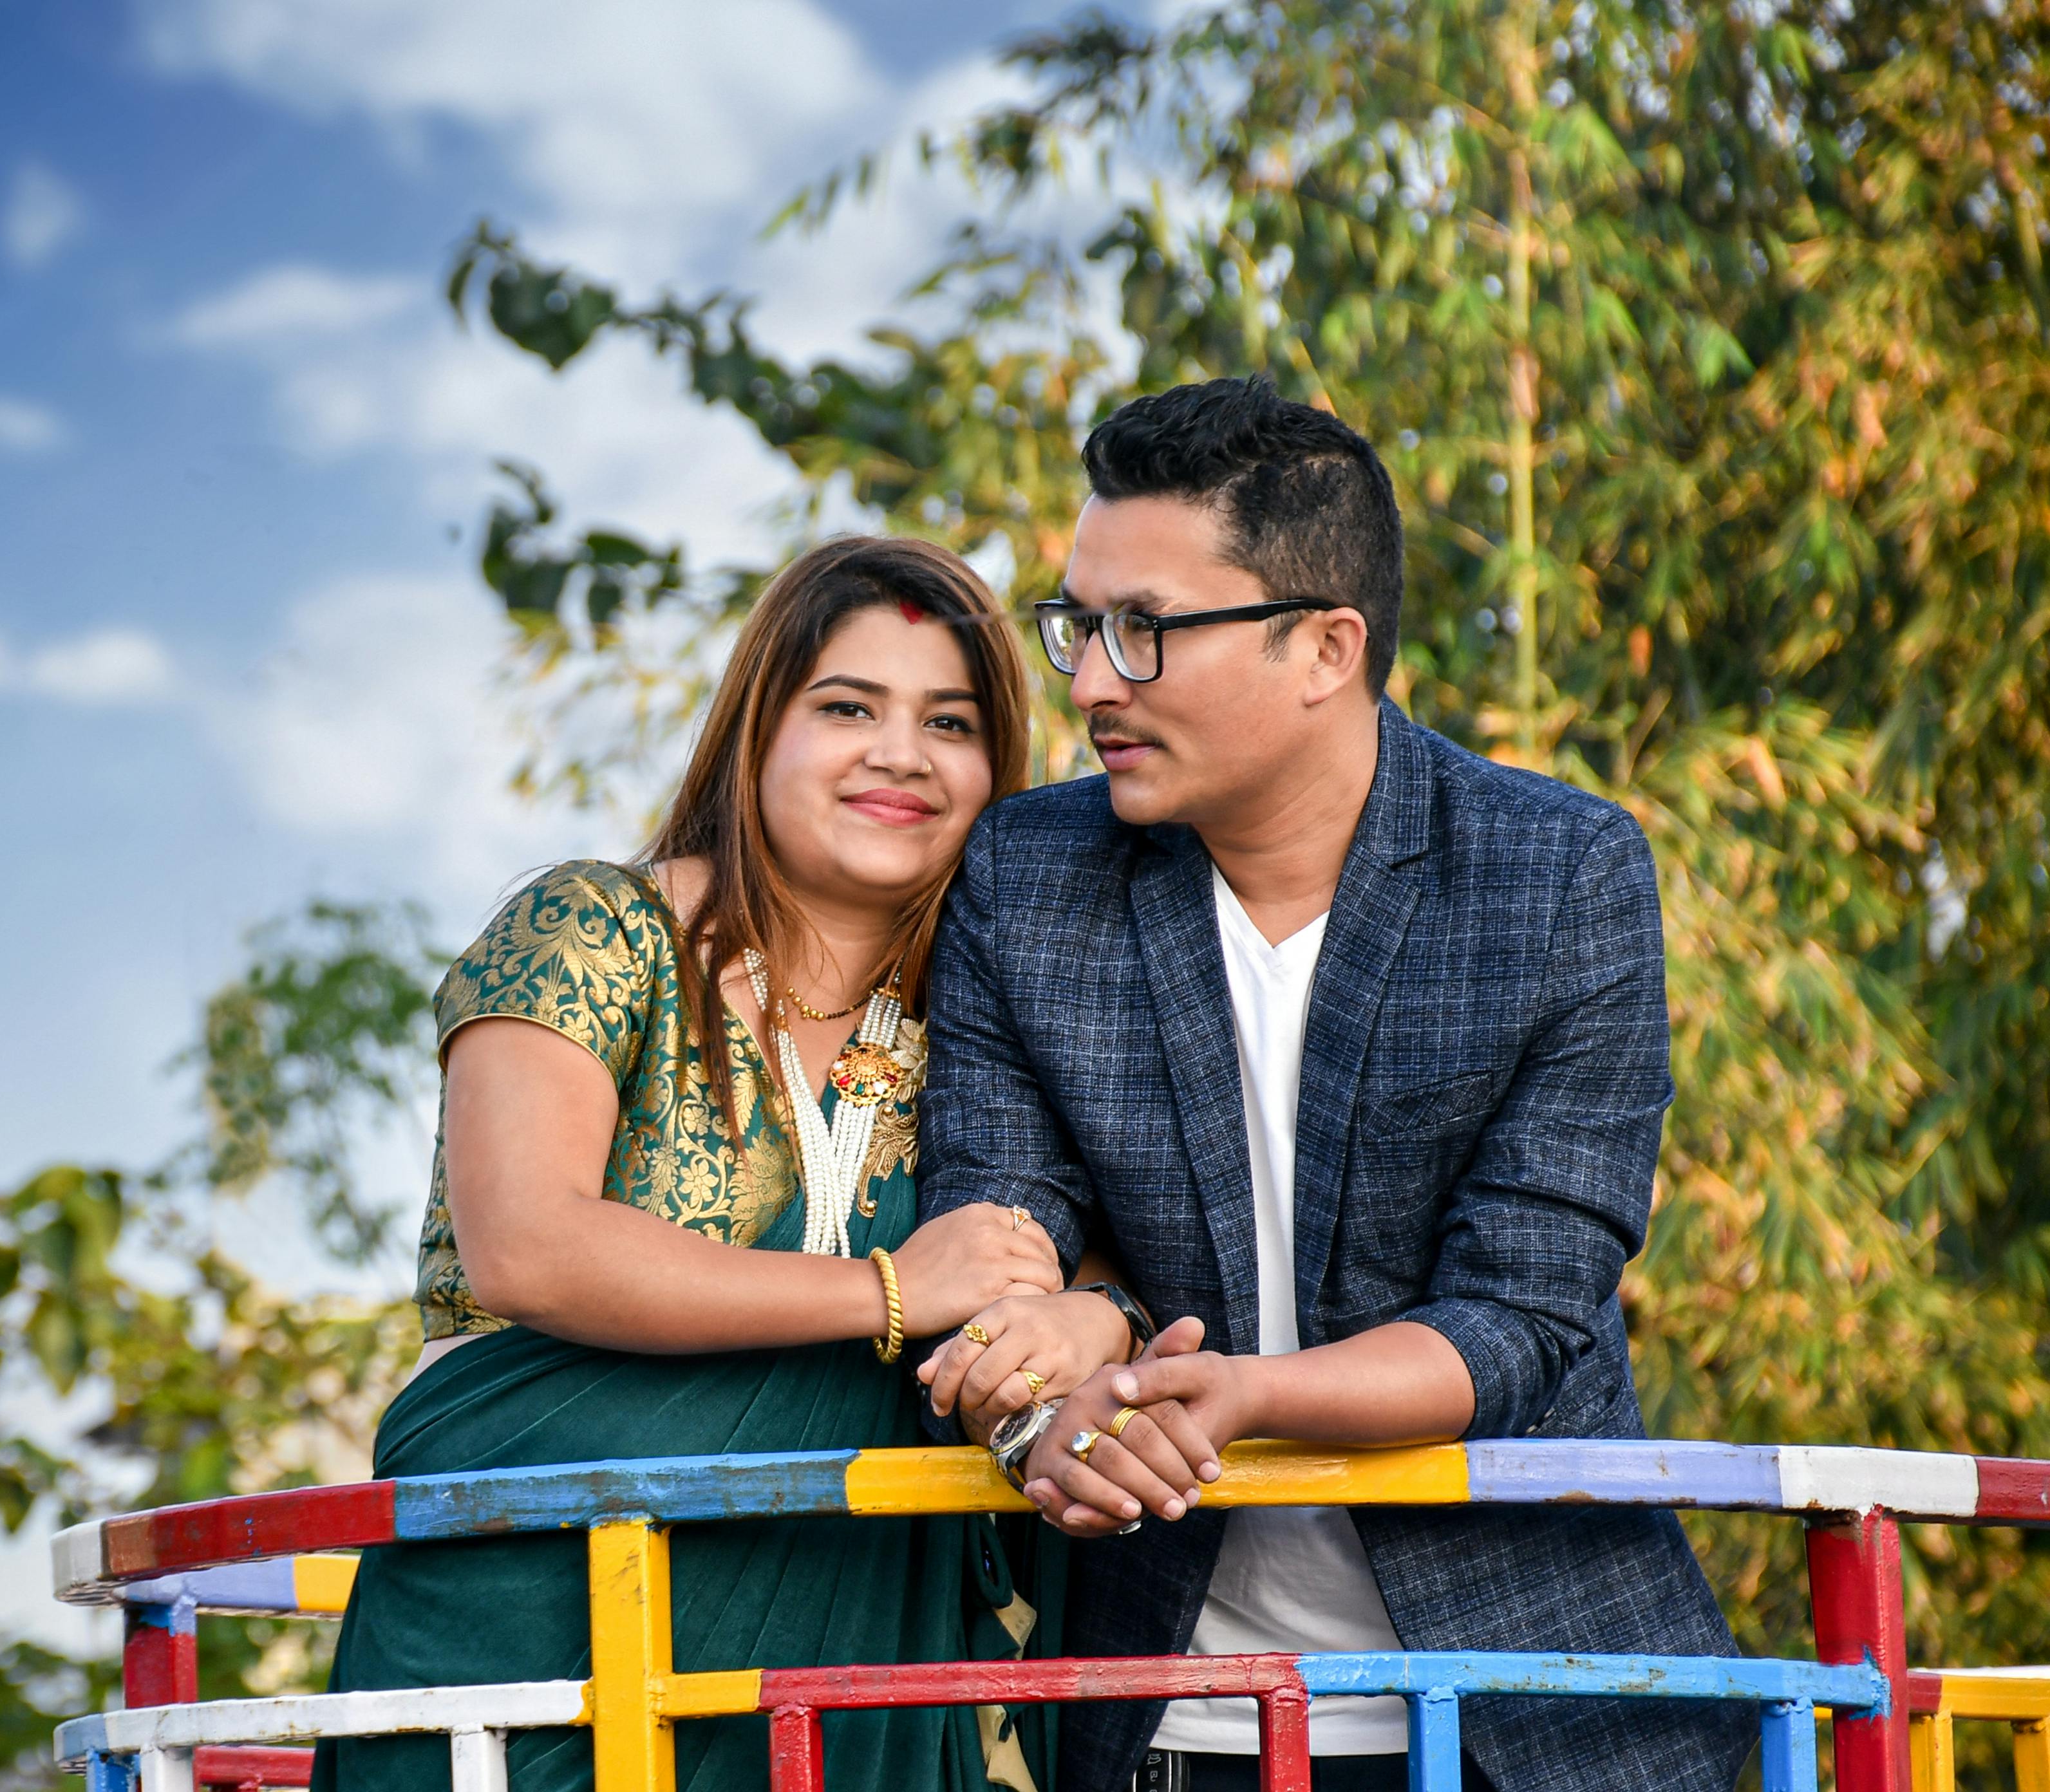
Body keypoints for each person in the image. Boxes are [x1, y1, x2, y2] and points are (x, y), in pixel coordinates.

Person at [914, 379, 1754, 1792]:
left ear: (1325, 646)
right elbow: (998, 1219)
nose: (1091, 683)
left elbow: (1525, 1314)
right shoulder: (1029, 872)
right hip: (1170, 1708)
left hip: (1525, 1700)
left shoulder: (1558, 874)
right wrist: (1031, 1402)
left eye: (1144, 630)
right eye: (1079, 625)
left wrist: (1247, 1396)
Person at [315, 536, 1109, 1792]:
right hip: (529, 1643)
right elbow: (528, 1246)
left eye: (950, 723)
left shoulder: (989, 1024)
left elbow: (1088, 1272)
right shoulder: (592, 931)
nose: (902, 754)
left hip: (848, 1671)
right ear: (757, 729)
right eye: (847, 707)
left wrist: (1093, 1323)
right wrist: (890, 1293)